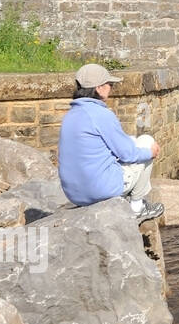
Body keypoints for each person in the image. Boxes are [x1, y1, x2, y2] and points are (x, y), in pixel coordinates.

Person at [58, 64, 164, 222]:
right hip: (100, 191)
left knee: (134, 141)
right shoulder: (101, 114)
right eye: (110, 85)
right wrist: (150, 153)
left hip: (75, 194)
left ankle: (130, 200)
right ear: (99, 88)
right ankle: (137, 208)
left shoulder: (70, 115)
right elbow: (127, 154)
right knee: (146, 141)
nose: (111, 88)